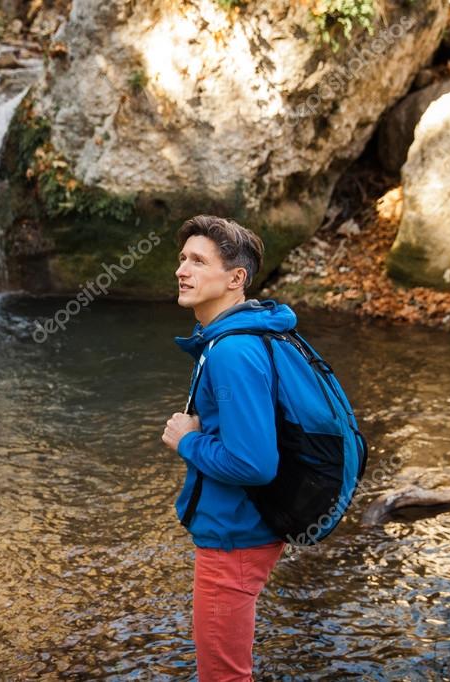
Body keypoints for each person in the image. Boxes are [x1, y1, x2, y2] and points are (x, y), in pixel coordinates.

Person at [161, 215, 297, 681]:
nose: (182, 270)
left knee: (223, 676)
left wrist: (188, 441)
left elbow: (254, 463)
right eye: (182, 259)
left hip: (235, 538)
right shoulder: (243, 336)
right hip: (246, 528)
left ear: (235, 278)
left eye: (199, 261)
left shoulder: (232, 352)